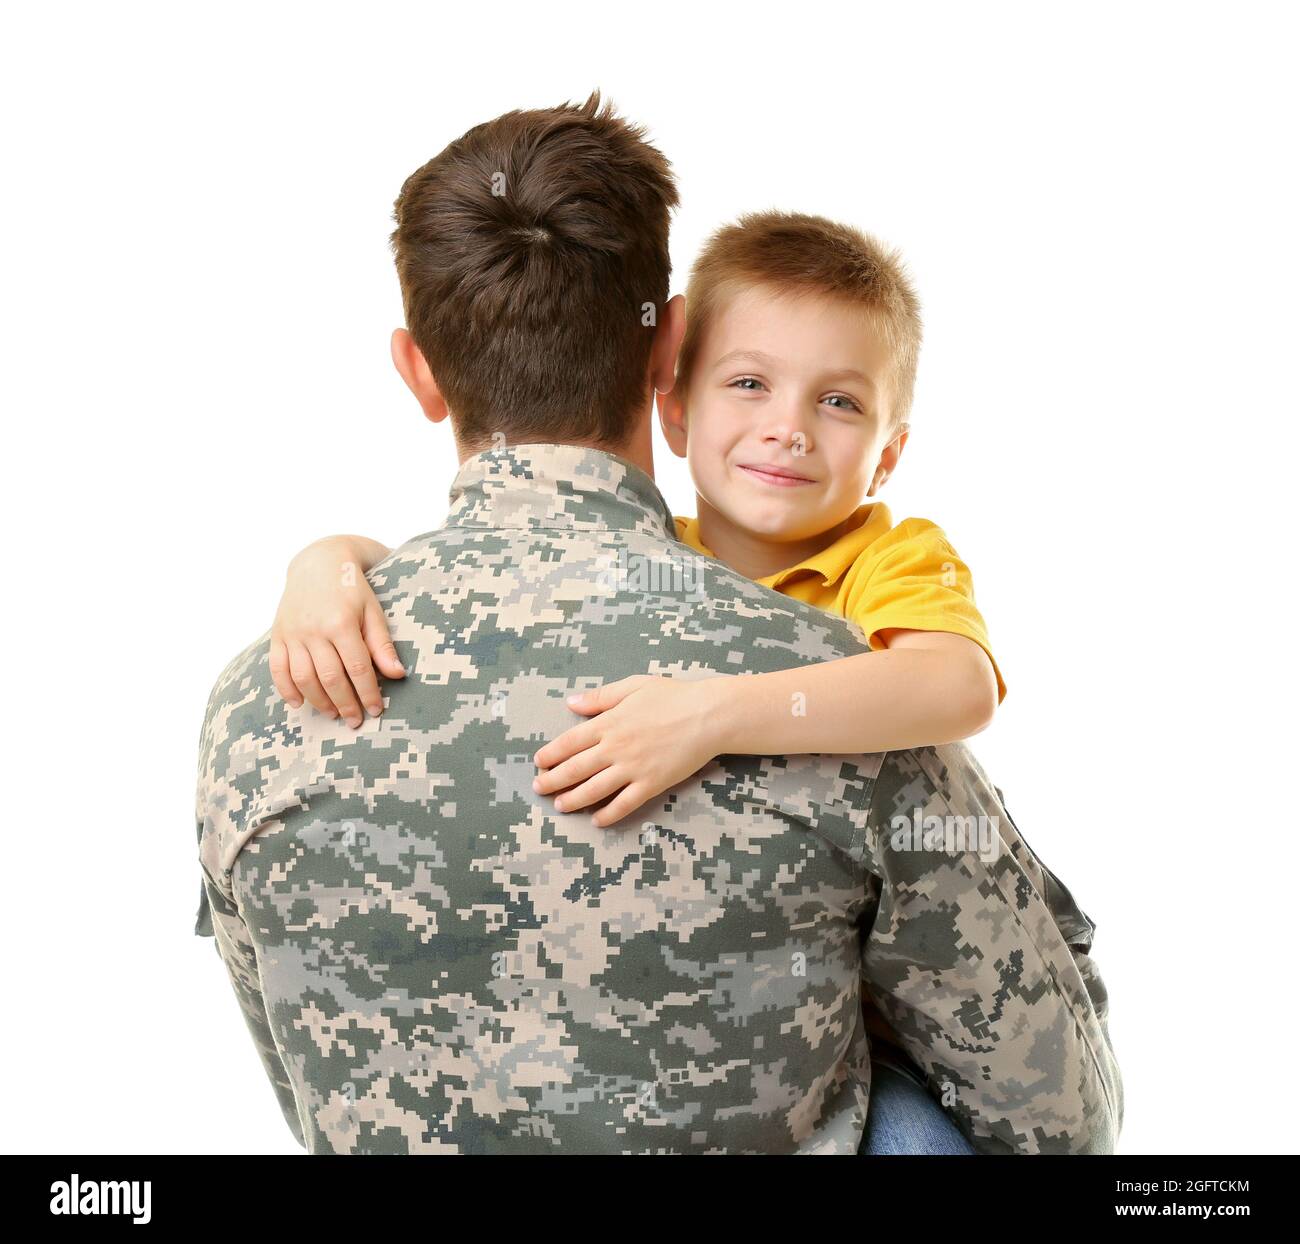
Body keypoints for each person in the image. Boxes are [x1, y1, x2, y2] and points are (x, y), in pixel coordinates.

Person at [195, 92, 1122, 1154]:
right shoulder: (834, 693)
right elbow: (1056, 1119)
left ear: (416, 369)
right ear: (668, 352)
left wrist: (325, 567)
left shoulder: (266, 695)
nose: (787, 429)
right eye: (752, 382)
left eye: (838, 403)